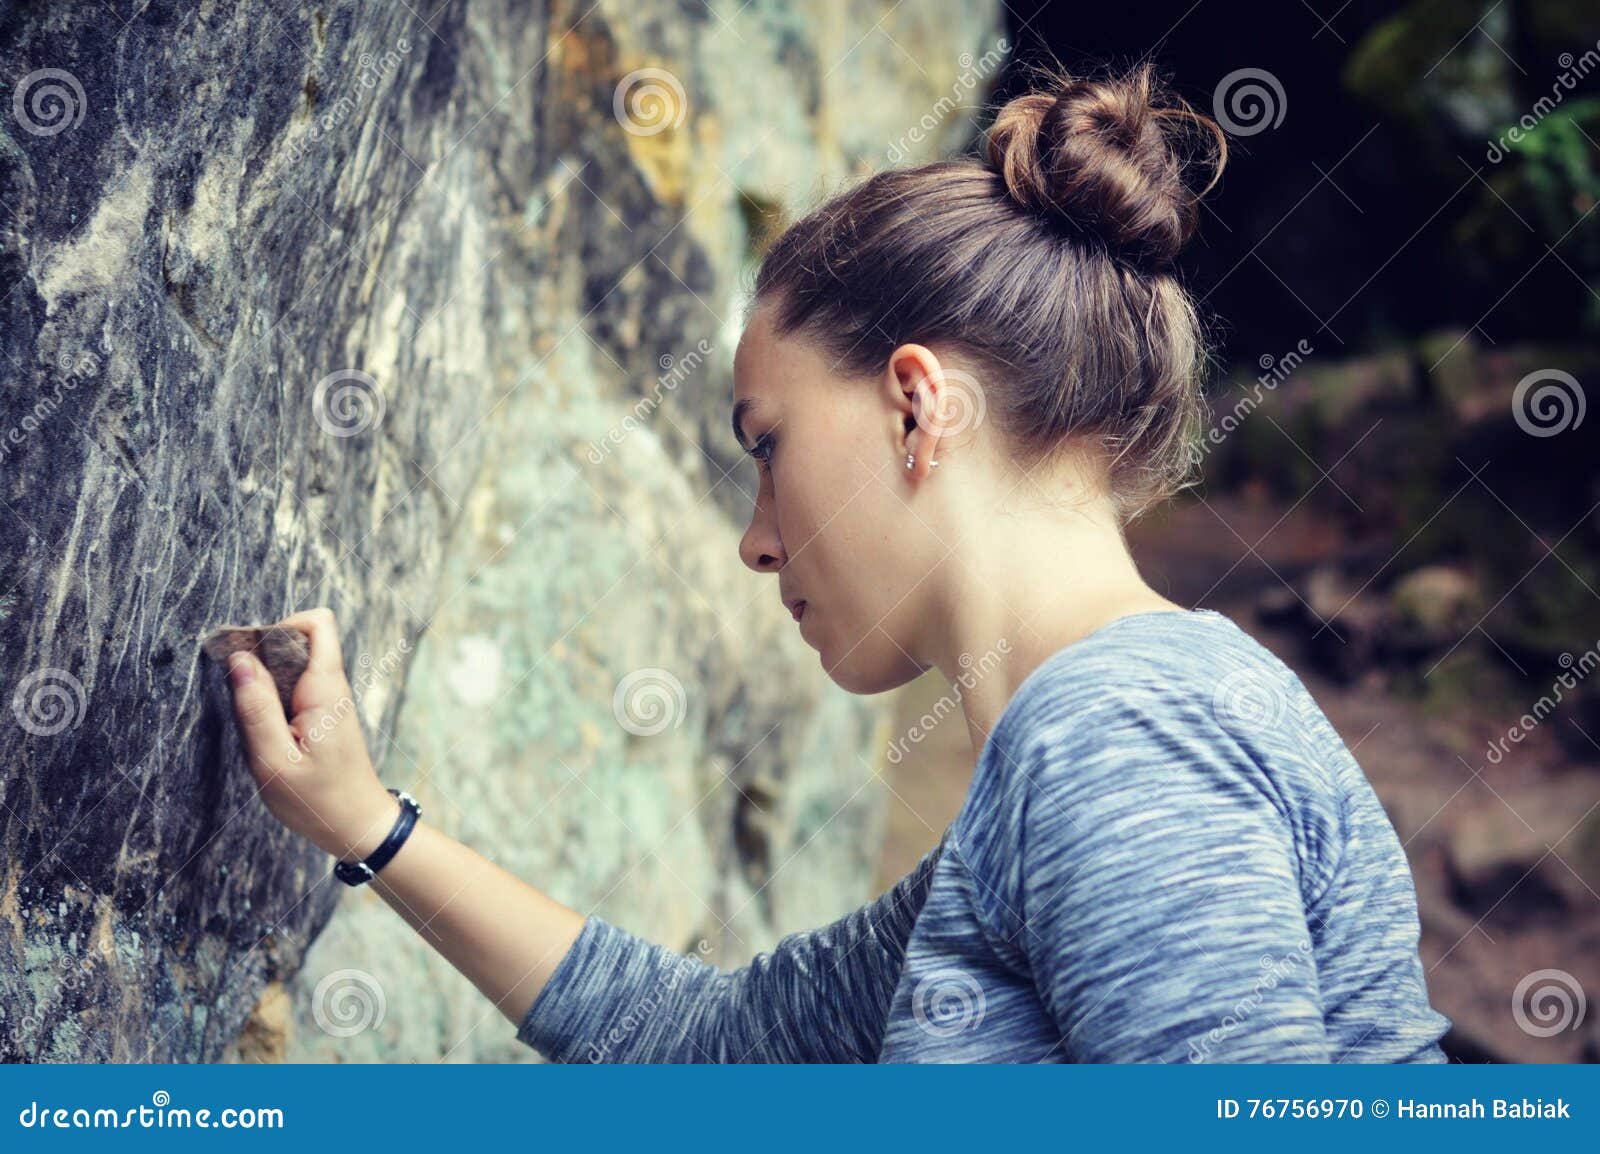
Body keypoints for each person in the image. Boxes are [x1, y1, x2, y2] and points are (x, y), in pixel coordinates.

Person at [223, 62, 1452, 1062]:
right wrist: (362, 821)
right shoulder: (1073, 768)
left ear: (916, 406)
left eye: (768, 443)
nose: (757, 538)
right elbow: (709, 1045)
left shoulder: (1113, 737)